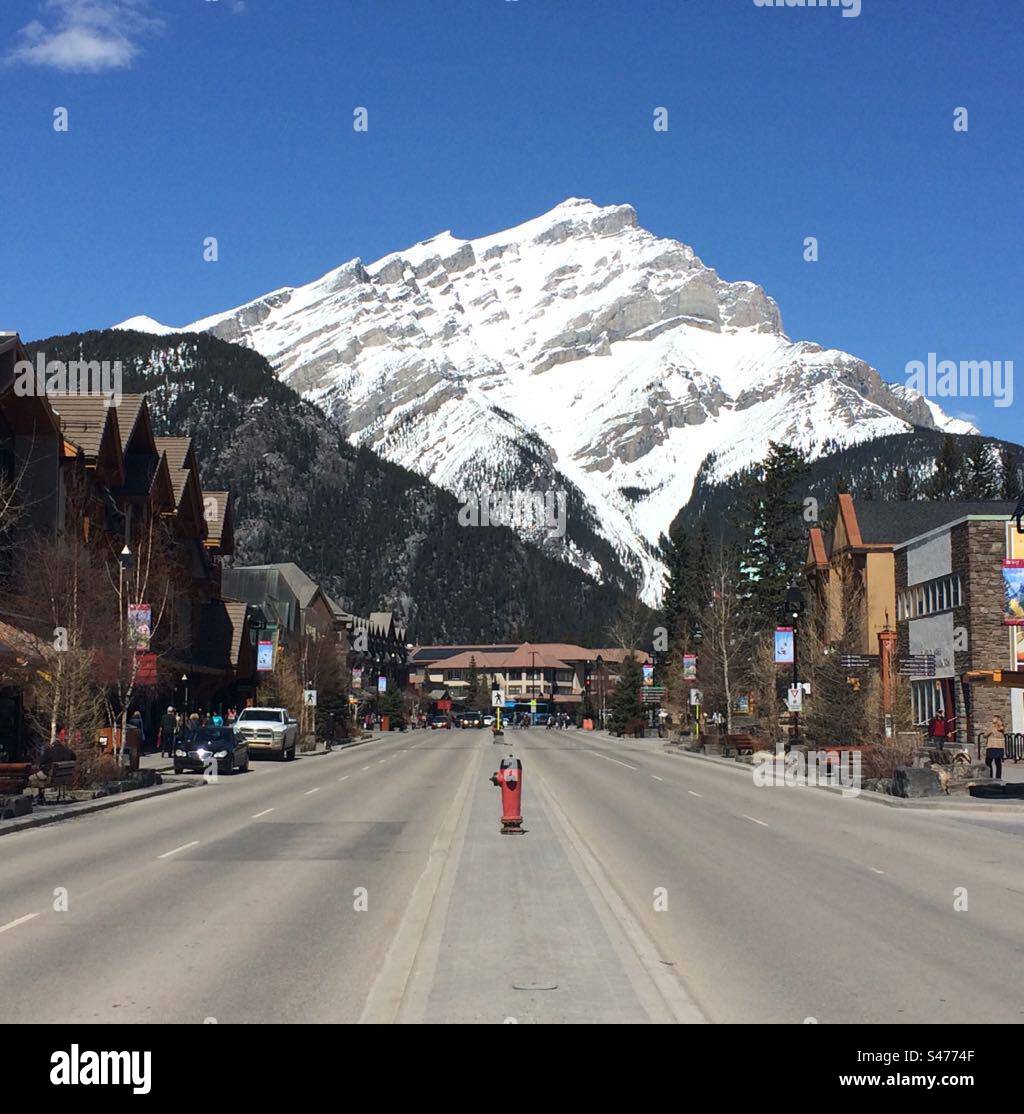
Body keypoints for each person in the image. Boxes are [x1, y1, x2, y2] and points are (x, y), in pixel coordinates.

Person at [31, 735, 77, 803]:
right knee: (40, 777)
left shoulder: (49, 751)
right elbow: (74, 758)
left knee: (31, 778)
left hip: (50, 775)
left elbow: (41, 761)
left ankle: (36, 796)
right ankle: (40, 796)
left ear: (53, 744)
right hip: (62, 776)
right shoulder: (68, 751)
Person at [986, 715, 1006, 781]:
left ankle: (990, 776)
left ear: (996, 719)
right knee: (998, 763)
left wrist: (988, 730)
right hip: (1000, 747)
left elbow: (985, 734)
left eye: (994, 718)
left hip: (992, 746)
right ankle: (998, 777)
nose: (992, 719)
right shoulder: (1002, 727)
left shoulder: (992, 727)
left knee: (988, 762)